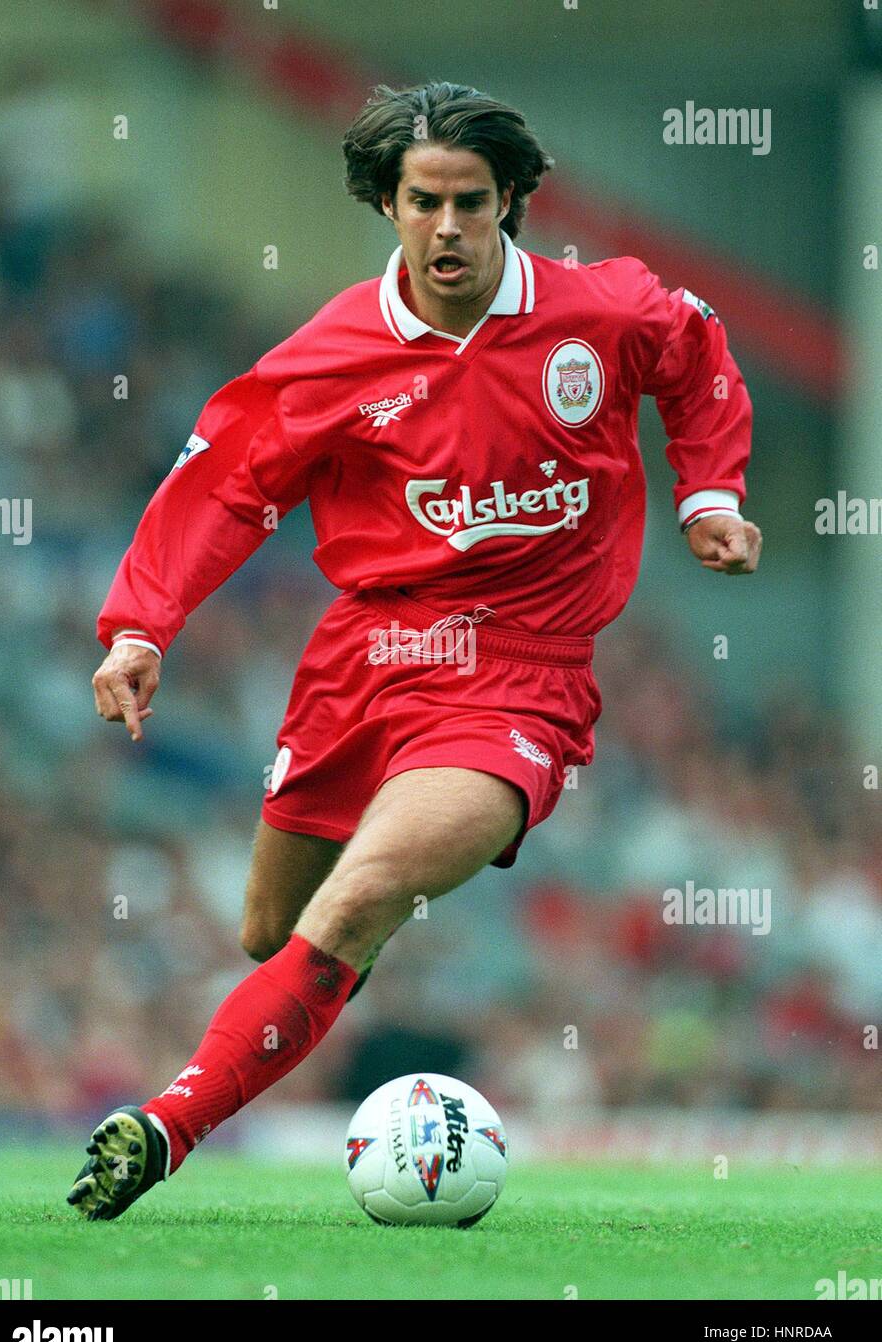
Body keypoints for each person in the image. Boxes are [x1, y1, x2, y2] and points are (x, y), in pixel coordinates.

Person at [68, 80, 761, 1220]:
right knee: (272, 932)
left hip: (520, 674)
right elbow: (224, 486)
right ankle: (335, 966)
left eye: (471, 203)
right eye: (423, 202)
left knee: (356, 900)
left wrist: (708, 497)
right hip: (363, 661)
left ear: (511, 206)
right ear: (386, 207)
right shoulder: (332, 354)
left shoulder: (600, 314)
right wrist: (140, 627)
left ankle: (162, 1128)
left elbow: (693, 355)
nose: (447, 227)